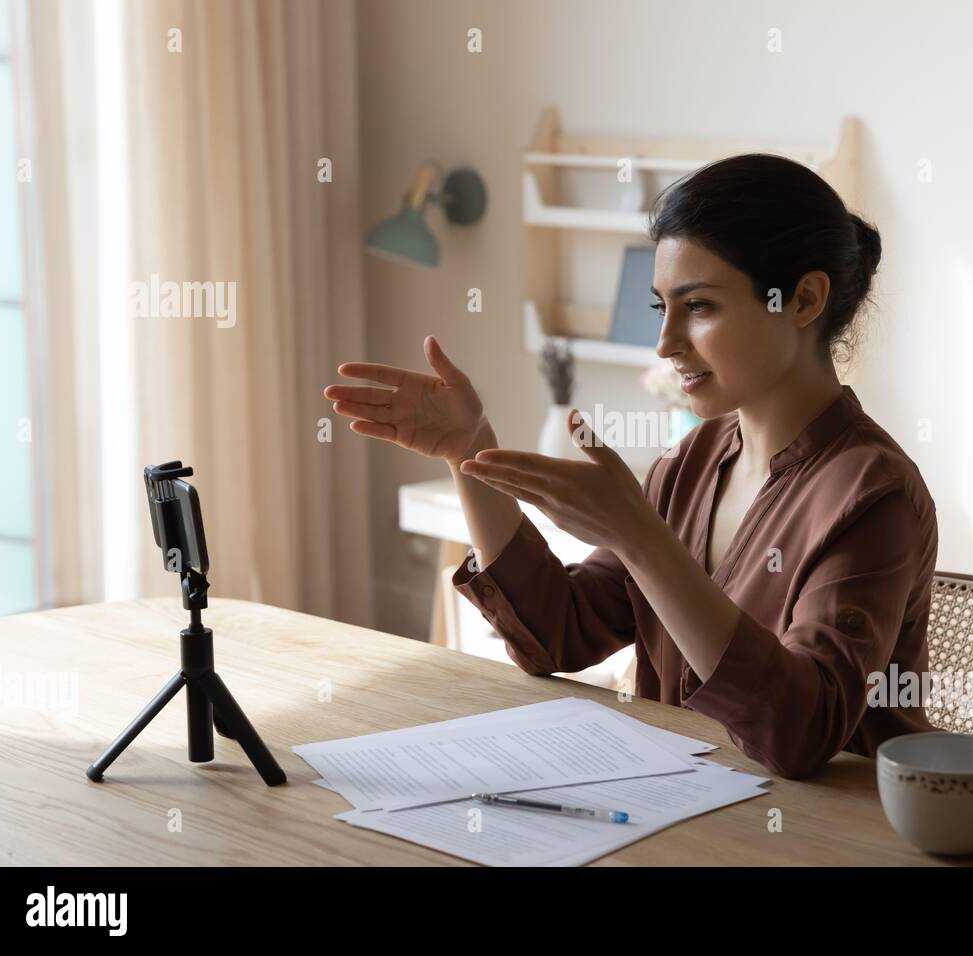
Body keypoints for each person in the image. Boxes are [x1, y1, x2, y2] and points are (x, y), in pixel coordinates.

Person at [325, 153, 938, 779]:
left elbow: (800, 732)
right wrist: (467, 449)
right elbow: (558, 632)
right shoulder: (690, 464)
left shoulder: (874, 494)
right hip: (684, 816)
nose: (666, 342)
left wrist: (639, 537)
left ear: (804, 299)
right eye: (660, 308)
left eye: (698, 306)